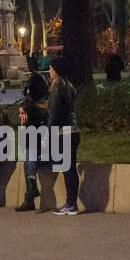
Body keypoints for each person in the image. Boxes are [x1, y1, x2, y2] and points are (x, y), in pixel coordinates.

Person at [47, 56, 81, 216]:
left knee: (67, 169)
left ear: (57, 71)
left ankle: (71, 203)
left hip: (63, 132)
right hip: (74, 131)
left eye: (51, 68)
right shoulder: (70, 87)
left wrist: (48, 133)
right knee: (70, 168)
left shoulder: (56, 88)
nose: (49, 71)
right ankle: (71, 202)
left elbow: (53, 114)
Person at [14, 73, 51, 212]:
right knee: (30, 155)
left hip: (51, 146)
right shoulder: (28, 109)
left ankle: (30, 192)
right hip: (37, 148)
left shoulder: (42, 108)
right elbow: (24, 142)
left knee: (30, 155)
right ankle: (31, 188)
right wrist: (23, 124)